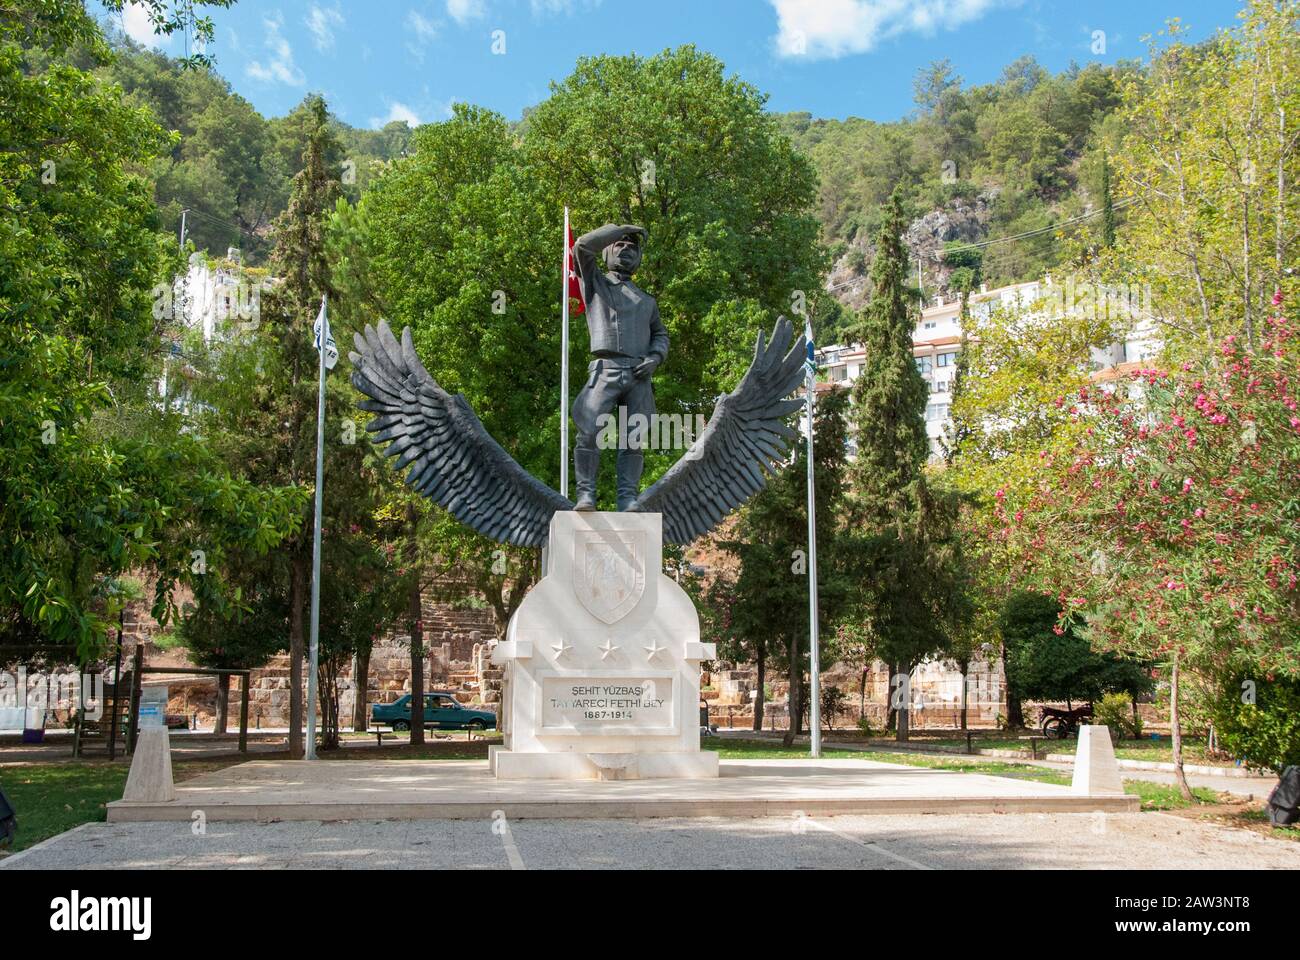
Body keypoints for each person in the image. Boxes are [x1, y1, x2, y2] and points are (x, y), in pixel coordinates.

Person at [570, 222, 669, 511]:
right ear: (607, 253)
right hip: (605, 369)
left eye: (632, 248)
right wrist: (620, 228)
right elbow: (582, 247)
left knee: (633, 439)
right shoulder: (595, 283)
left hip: (639, 374)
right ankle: (586, 494)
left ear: (639, 259)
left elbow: (661, 334)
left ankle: (627, 497)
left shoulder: (647, 301)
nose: (626, 250)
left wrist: (655, 358)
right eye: (620, 245)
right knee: (588, 431)